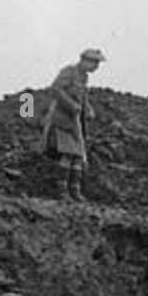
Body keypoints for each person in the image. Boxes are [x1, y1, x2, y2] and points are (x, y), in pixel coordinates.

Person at [40, 48, 105, 201]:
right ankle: (62, 191)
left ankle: (75, 191)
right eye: (94, 63)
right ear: (84, 60)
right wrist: (70, 105)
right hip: (62, 120)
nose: (96, 67)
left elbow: (82, 97)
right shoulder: (69, 71)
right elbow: (55, 89)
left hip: (76, 123)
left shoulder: (84, 78)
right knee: (68, 154)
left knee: (77, 156)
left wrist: (88, 108)